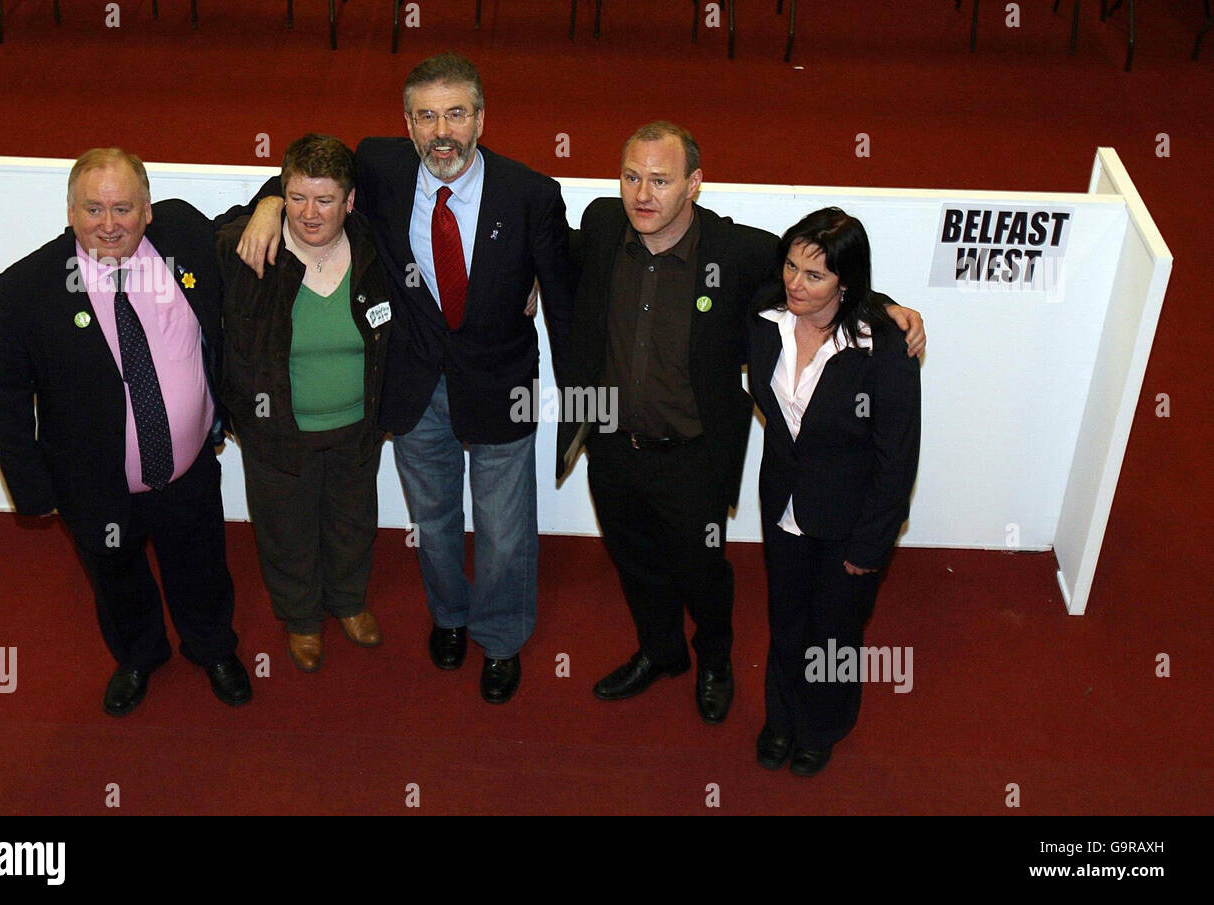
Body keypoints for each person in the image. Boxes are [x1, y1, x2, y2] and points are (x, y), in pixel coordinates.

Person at [557, 123, 923, 726]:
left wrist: (886, 308)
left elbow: (819, 272)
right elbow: (551, 256)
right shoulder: (601, 226)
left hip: (693, 458)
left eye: (660, 180)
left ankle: (715, 662)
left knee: (703, 572)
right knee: (636, 563)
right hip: (613, 448)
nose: (641, 194)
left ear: (694, 185)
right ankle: (660, 651)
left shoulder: (733, 250)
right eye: (631, 177)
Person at [237, 53, 575, 703]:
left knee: (505, 530)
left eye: (455, 113)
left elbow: (566, 289)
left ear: (480, 118)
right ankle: (449, 616)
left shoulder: (530, 194)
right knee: (435, 517)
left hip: (500, 385)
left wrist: (590, 404)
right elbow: (314, 174)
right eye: (426, 115)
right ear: (407, 122)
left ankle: (501, 639)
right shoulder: (383, 167)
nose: (440, 130)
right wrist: (270, 200)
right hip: (415, 386)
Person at [0, 148, 252, 716]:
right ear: (71, 212)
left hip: (188, 468)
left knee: (201, 564)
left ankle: (212, 648)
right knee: (116, 575)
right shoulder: (29, 288)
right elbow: (4, 394)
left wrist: (275, 203)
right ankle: (138, 656)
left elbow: (256, 209)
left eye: (123, 208)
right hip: (95, 485)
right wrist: (31, 491)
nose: (108, 224)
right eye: (93, 209)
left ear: (149, 210)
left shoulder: (186, 234)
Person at [746, 207, 921, 776]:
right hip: (783, 505)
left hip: (849, 519)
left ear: (845, 283)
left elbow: (898, 458)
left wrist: (871, 547)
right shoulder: (764, 314)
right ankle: (780, 717)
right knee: (786, 616)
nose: (796, 283)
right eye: (791, 267)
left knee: (835, 632)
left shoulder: (882, 345)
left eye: (814, 275)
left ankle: (822, 725)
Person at [217, 134, 392, 673]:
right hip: (276, 430)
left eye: (324, 200)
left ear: (350, 202)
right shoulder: (247, 248)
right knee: (285, 528)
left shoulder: (376, 249)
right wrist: (266, 207)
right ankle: (300, 618)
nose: (309, 213)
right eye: (295, 198)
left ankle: (348, 602)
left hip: (358, 425)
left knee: (352, 520)